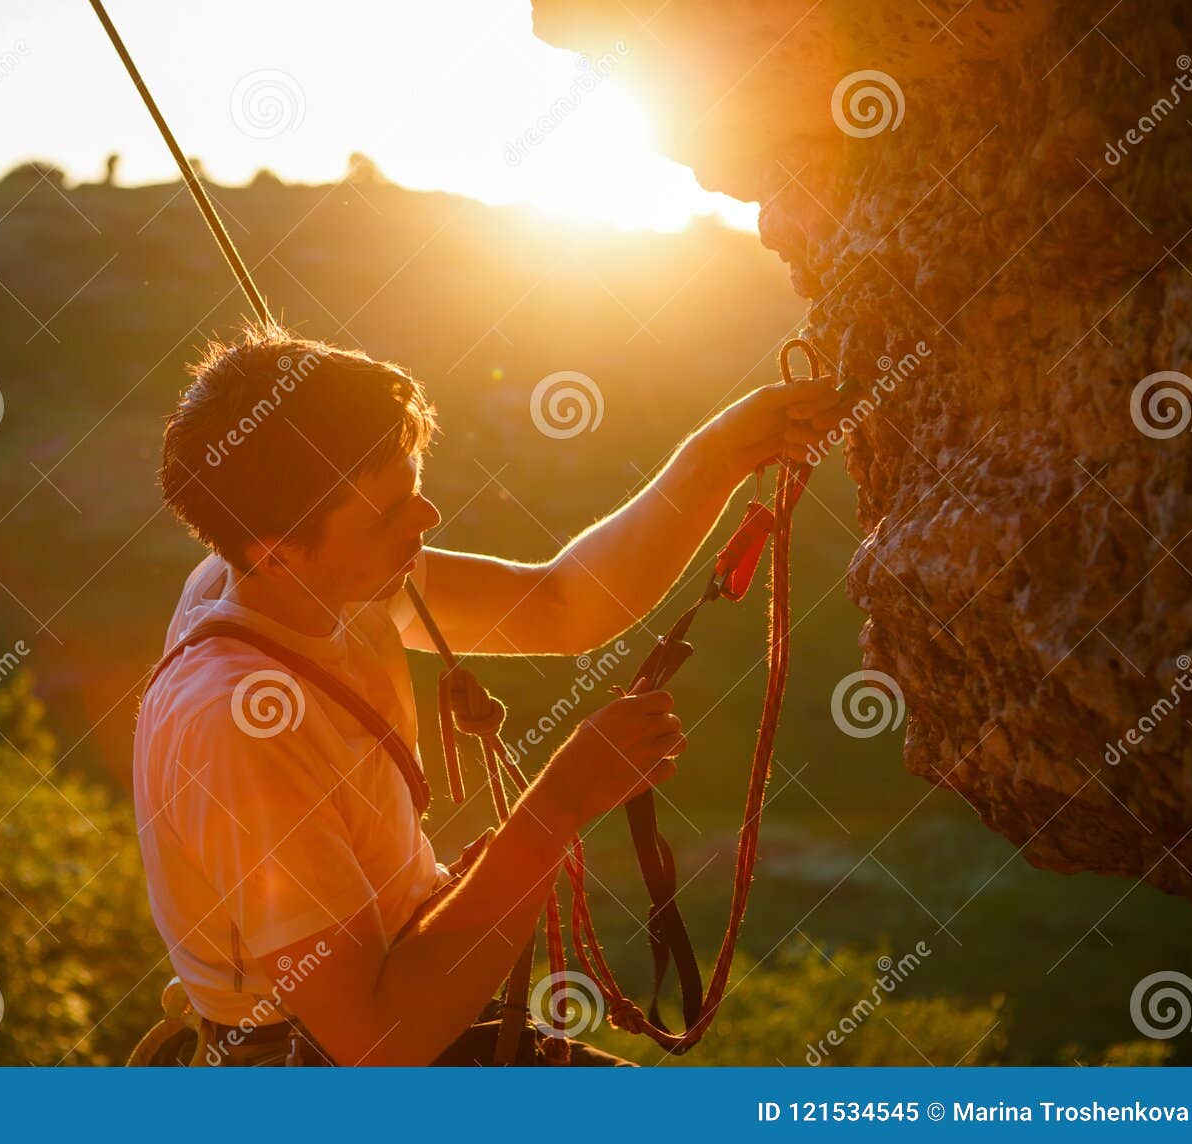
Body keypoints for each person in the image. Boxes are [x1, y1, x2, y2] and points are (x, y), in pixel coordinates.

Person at [132, 321, 846, 1066]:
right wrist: (558, 802)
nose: (428, 518)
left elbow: (566, 602)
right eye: (389, 512)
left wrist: (726, 450)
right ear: (277, 553)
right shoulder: (239, 723)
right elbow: (375, 1039)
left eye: (413, 486)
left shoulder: (309, 580)